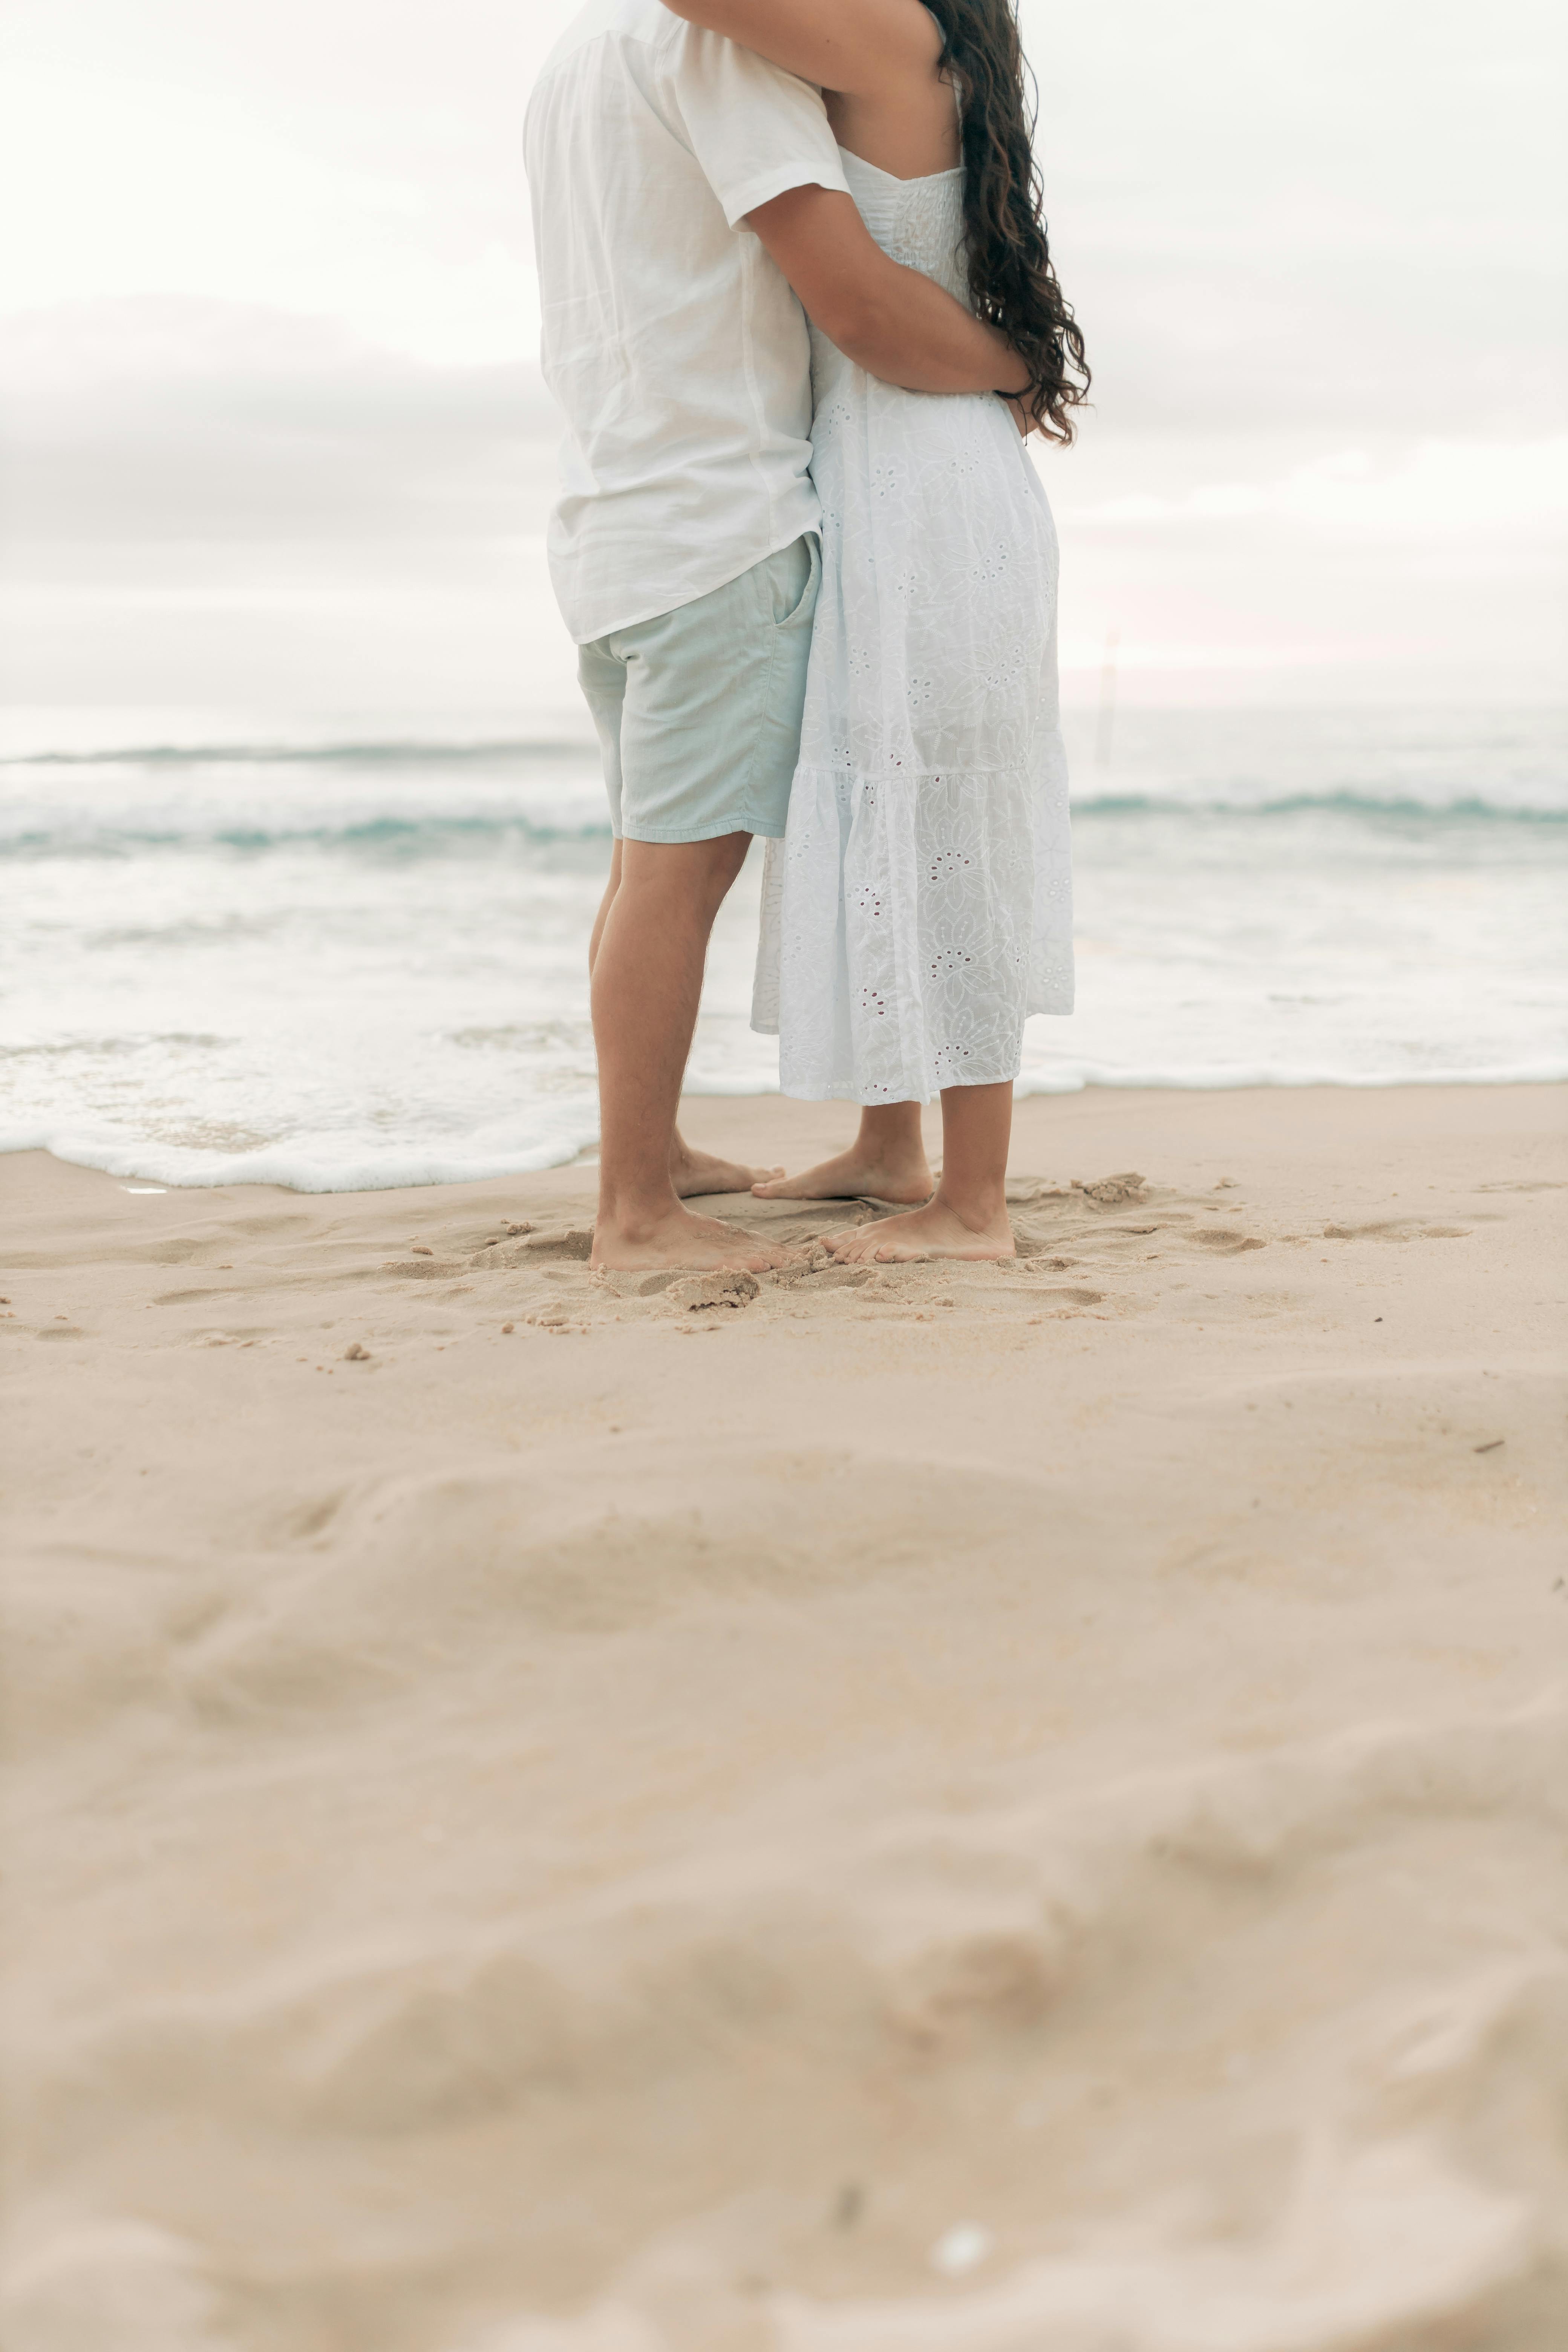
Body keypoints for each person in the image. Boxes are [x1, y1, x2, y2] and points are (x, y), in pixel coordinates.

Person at [524, 0, 1033, 1272]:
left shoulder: (581, 56)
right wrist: (1030, 367)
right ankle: (645, 1202)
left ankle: (872, 1166)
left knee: (851, 827)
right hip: (729, 506)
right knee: (701, 864)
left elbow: (858, 304)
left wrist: (1030, 367)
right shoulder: (719, 45)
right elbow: (854, 304)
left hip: (636, 510)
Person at [662, 0, 1089, 1262]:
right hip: (883, 468)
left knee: (950, 811)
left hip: (923, 483)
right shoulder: (914, 39)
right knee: (882, 803)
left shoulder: (892, 33)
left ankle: (976, 1202)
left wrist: (1014, 372)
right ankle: (891, 1147)